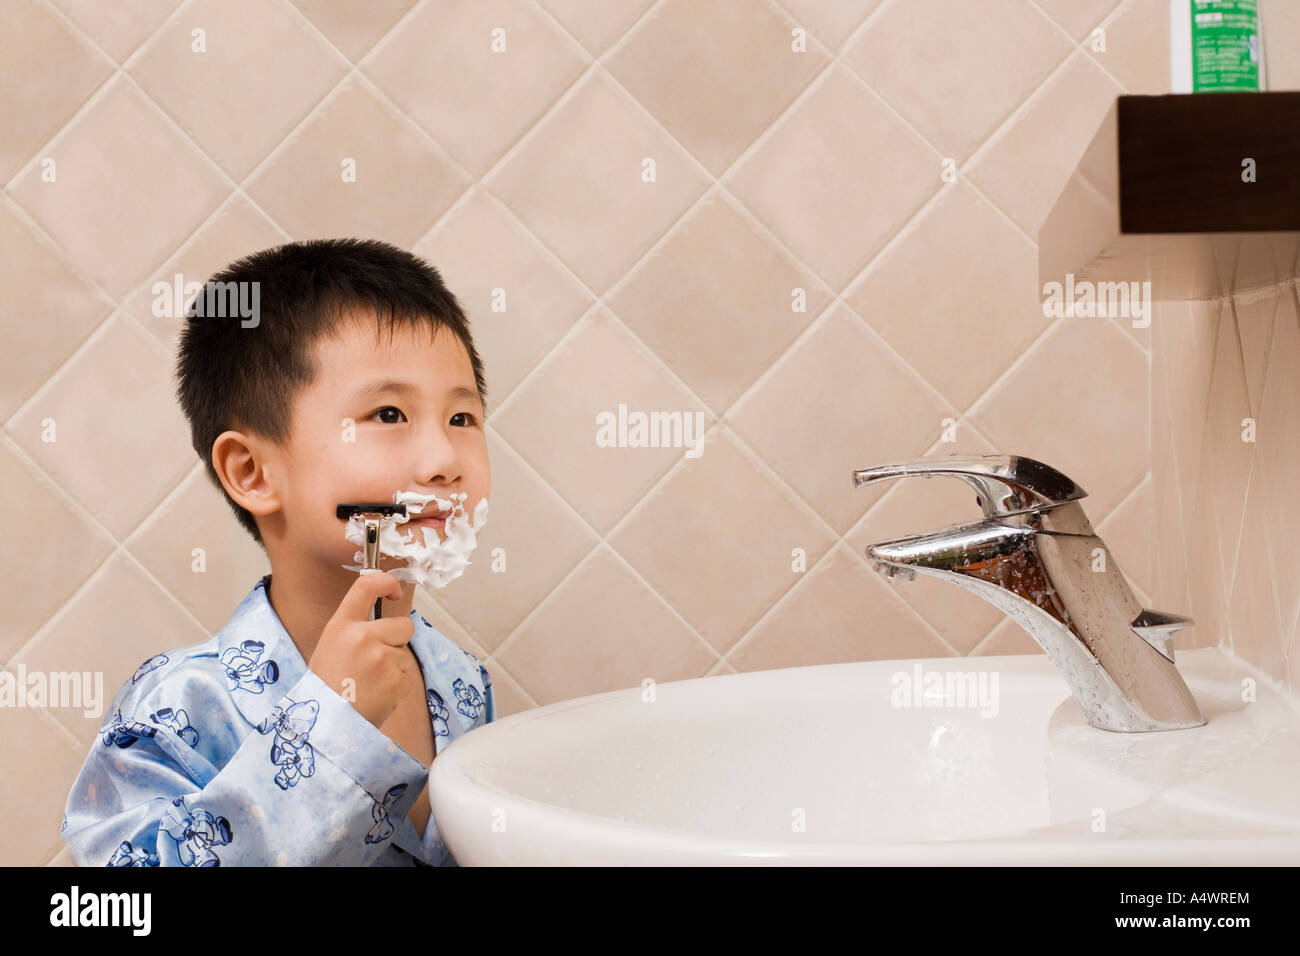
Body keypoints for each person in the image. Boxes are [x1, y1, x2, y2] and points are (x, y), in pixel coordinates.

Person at [61, 238, 496, 866]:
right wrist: (328, 730)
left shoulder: (463, 683)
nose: (443, 462)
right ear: (252, 471)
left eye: (462, 418)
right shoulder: (178, 708)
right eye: (389, 412)